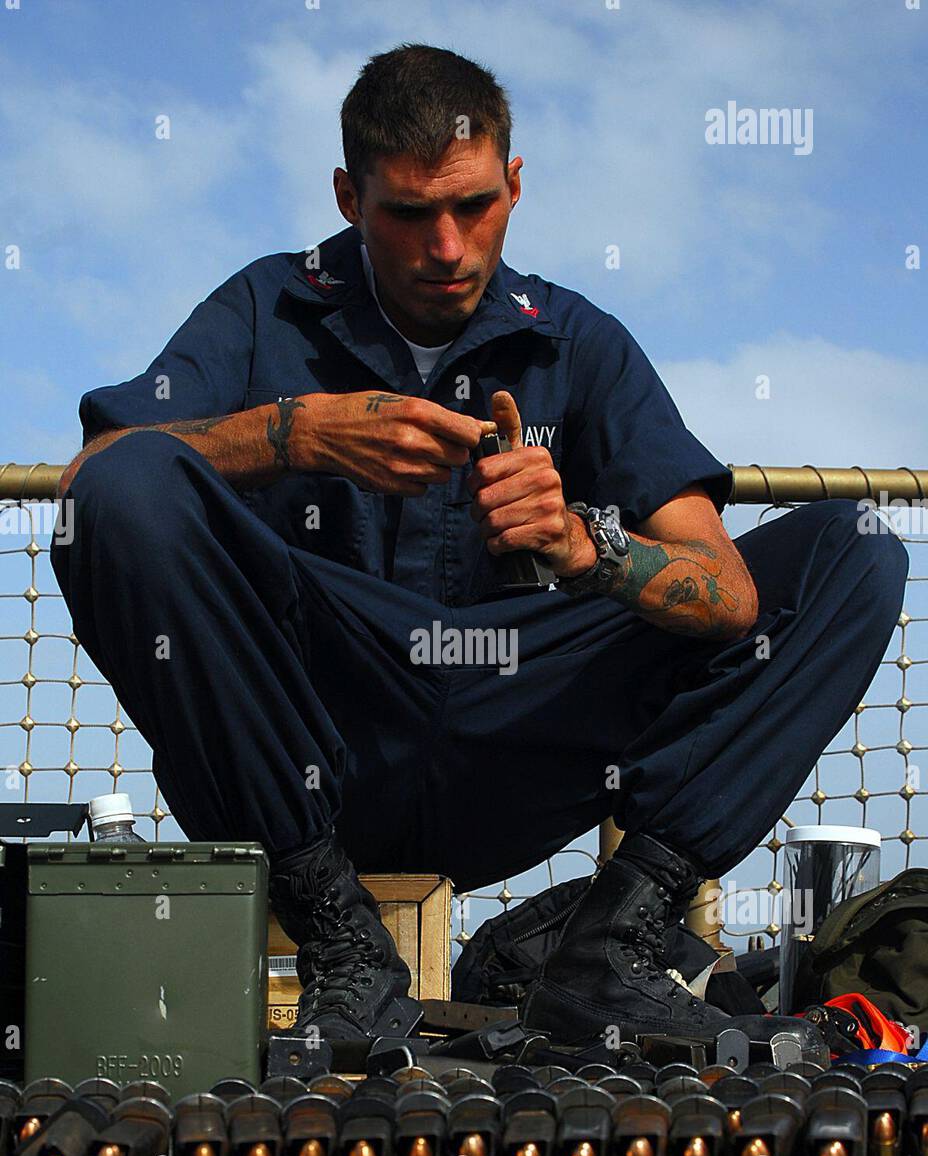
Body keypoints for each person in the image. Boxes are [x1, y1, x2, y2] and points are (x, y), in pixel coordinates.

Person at [51, 44, 909, 1046]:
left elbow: (726, 595)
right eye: (409, 215)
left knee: (857, 545)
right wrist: (296, 432)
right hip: (321, 734)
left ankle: (614, 946)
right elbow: (92, 479)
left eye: (474, 207)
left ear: (513, 182)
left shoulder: (578, 341)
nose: (448, 247)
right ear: (347, 196)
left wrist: (585, 547)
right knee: (126, 486)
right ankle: (343, 947)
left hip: (528, 719)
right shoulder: (263, 304)